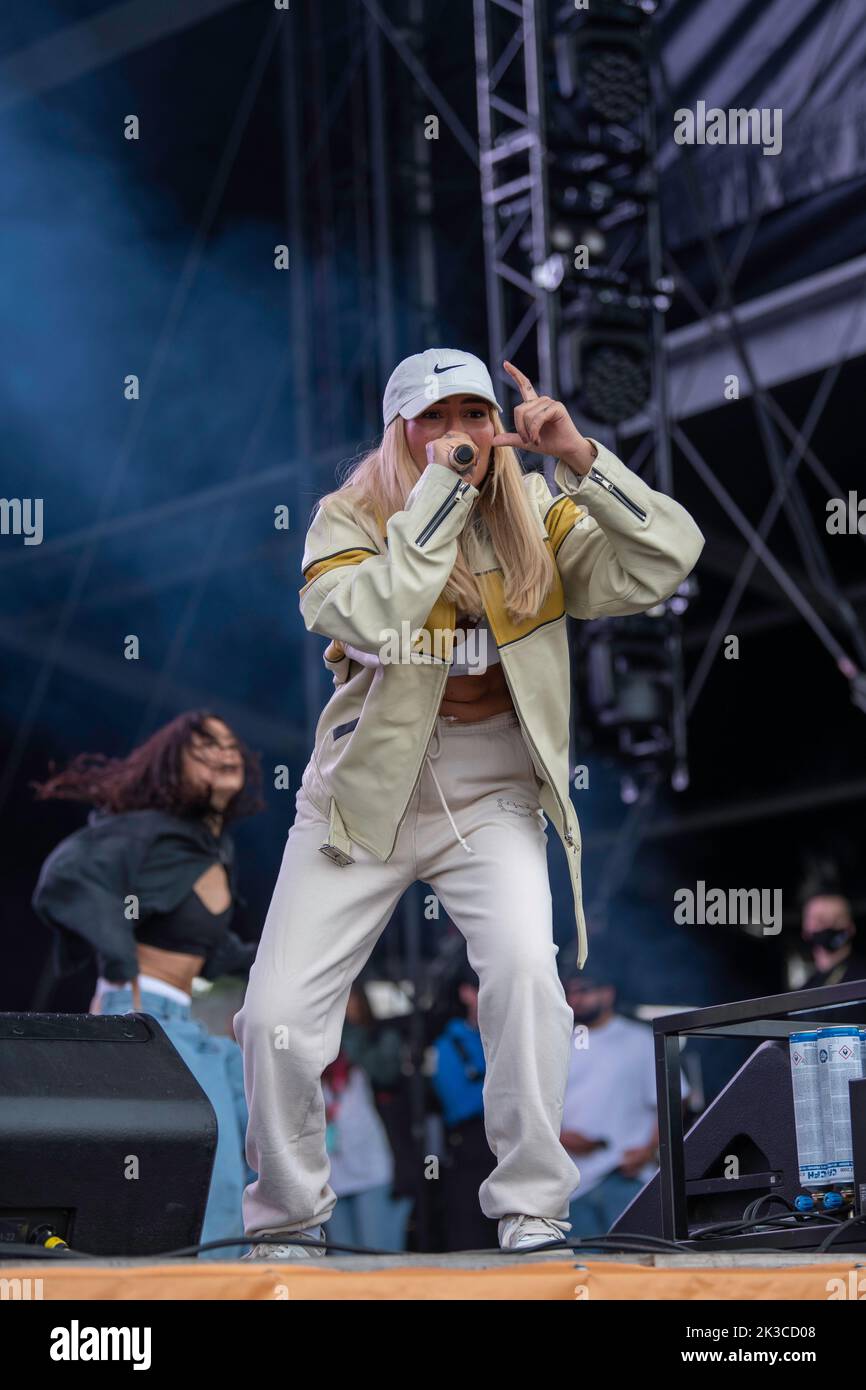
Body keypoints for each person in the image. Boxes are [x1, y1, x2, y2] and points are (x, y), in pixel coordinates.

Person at [233, 346, 704, 1258]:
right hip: (366, 799)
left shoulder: (541, 512)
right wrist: (443, 495)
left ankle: (533, 1209)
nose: (459, 437)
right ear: (399, 430)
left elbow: (667, 559)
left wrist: (576, 455)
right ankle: (288, 1220)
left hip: (491, 793)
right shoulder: (349, 516)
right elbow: (371, 618)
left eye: (475, 418)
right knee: (277, 1017)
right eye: (435, 420)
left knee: (531, 978)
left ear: (500, 425)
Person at [30, 710, 264, 1260]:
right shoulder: (144, 830)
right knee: (207, 1178)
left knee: (246, 1157)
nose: (224, 751)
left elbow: (214, 953)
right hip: (142, 1017)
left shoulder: (208, 850)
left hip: (191, 1023)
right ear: (173, 762)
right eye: (205, 745)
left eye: (230, 743)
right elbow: (64, 878)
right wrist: (117, 959)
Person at [561, 967, 691, 1238]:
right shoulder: (556, 1042)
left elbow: (676, 1098)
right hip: (570, 1185)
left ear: (607, 993)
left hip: (627, 1178)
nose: (575, 999)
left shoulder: (639, 1040)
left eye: (583, 990)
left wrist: (649, 1150)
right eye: (570, 992)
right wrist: (558, 1137)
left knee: (636, 1266)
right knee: (581, 1272)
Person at [322, 984, 412, 1253]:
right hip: (331, 1173)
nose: (341, 1007)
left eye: (347, 999)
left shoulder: (378, 1038)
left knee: (378, 1255)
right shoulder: (317, 1053)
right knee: (343, 1262)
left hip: (375, 1167)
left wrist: (349, 1034)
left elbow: (386, 1074)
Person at [430, 963, 499, 1251]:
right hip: (471, 1157)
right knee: (472, 1244)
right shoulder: (447, 1044)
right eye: (483, 989)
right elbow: (457, 1104)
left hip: (511, 1152)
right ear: (466, 994)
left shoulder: (517, 1036)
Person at [798, 859, 865, 989]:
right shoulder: (803, 991)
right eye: (819, 920)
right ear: (805, 930)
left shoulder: (862, 979)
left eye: (837, 919)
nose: (828, 925)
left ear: (851, 927)